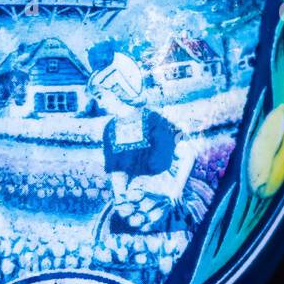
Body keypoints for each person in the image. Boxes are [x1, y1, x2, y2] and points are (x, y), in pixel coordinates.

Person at [88, 53, 206, 242]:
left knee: (166, 232)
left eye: (101, 95)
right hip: (132, 200)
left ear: (119, 90)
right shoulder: (110, 129)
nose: (98, 103)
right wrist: (120, 200)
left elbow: (188, 151)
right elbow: (116, 171)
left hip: (162, 193)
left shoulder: (154, 122)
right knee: (119, 231)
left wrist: (175, 188)